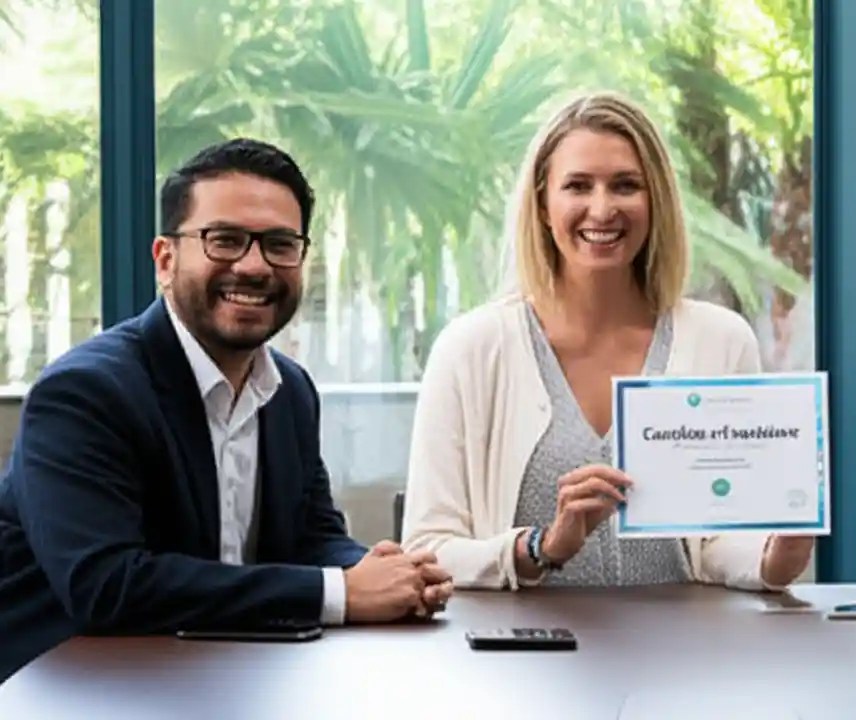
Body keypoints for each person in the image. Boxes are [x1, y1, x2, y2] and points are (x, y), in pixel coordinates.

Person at [0, 138, 452, 681]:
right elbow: (107, 586)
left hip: (223, 677)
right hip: (73, 688)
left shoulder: (291, 390)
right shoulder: (85, 393)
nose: (255, 266)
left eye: (280, 244)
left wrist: (383, 570)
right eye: (225, 241)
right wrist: (341, 592)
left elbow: (311, 537)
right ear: (166, 261)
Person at [398, 92, 814, 590]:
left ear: (655, 201)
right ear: (543, 205)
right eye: (577, 185)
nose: (602, 208)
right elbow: (427, 550)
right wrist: (541, 547)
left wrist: (778, 555)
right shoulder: (471, 349)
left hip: (685, 655)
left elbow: (719, 544)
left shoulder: (721, 339)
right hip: (523, 661)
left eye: (626, 186)